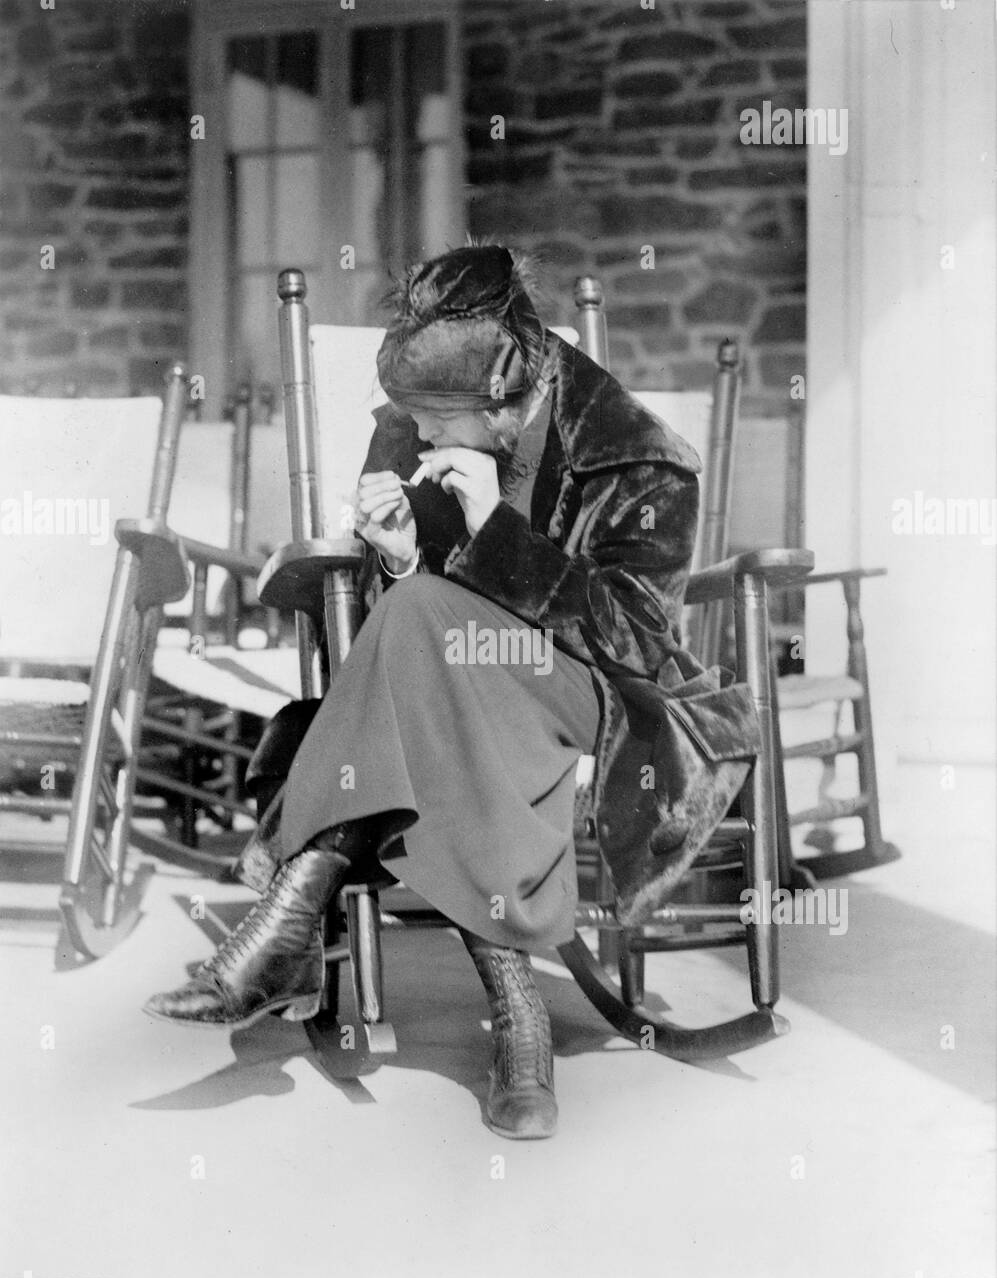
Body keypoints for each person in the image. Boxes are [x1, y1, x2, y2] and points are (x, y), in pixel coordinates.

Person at [144, 245, 759, 1140]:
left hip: (598, 695)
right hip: (456, 690)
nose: (416, 439)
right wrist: (395, 552)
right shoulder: (419, 414)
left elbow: (634, 638)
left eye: (435, 426)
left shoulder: (640, 460)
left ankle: (290, 909)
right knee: (424, 624)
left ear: (504, 410)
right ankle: (520, 1023)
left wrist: (493, 529)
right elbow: (418, 616)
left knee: (425, 622)